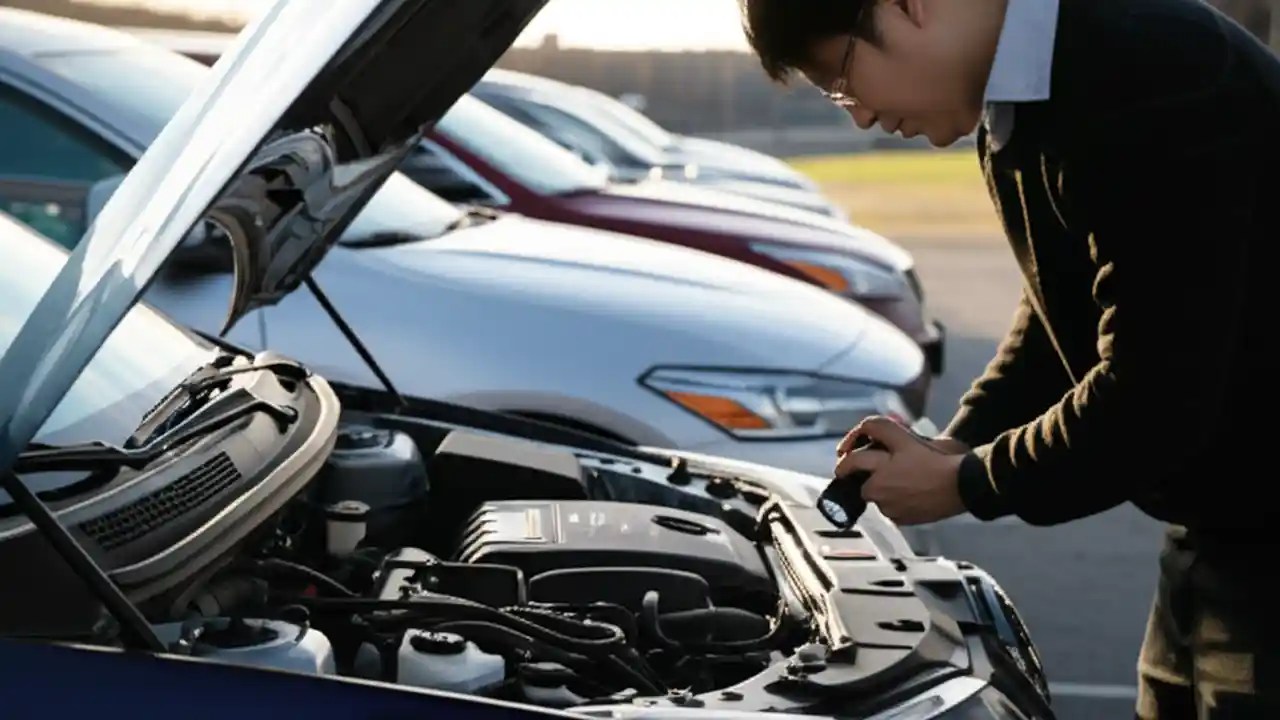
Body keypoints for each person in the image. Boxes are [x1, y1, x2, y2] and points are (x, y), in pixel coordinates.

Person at [735, 0, 1280, 717]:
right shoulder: (1025, 93)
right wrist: (955, 443)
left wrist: (968, 482)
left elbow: (1155, 396)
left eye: (840, 80)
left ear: (908, 6)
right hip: (1218, 531)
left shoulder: (1147, 74)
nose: (859, 116)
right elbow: (1061, 316)